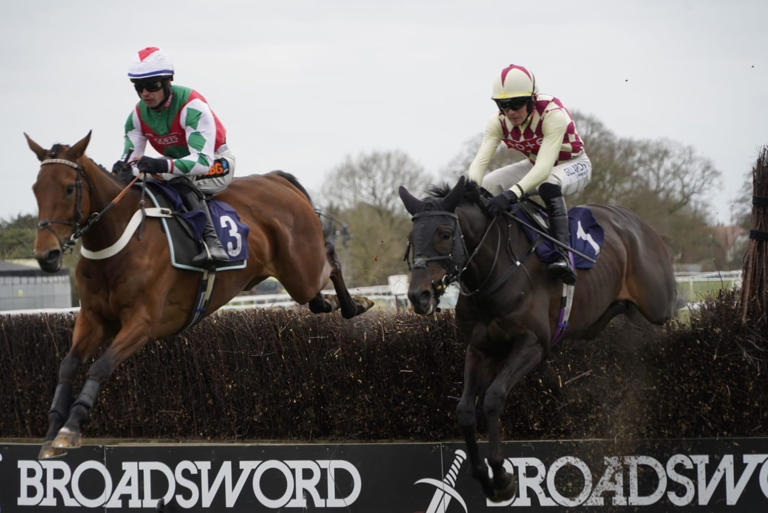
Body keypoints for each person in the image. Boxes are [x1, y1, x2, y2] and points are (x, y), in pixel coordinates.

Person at [467, 64, 591, 284]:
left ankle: (562, 254)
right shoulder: (498, 122)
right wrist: (469, 192)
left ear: (532, 99)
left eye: (516, 104)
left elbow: (544, 169)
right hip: (535, 165)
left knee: (549, 184)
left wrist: (512, 194)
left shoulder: (553, 114)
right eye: (503, 105)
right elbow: (480, 163)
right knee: (487, 184)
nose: (511, 112)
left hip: (573, 164)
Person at [113, 46, 234, 265]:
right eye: (139, 87)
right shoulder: (137, 116)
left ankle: (213, 244)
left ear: (168, 81)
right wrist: (123, 168)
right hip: (175, 166)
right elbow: (130, 161)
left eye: (152, 86)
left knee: (179, 180)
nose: (145, 94)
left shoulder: (192, 106)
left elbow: (201, 163)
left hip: (215, 163)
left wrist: (159, 165)